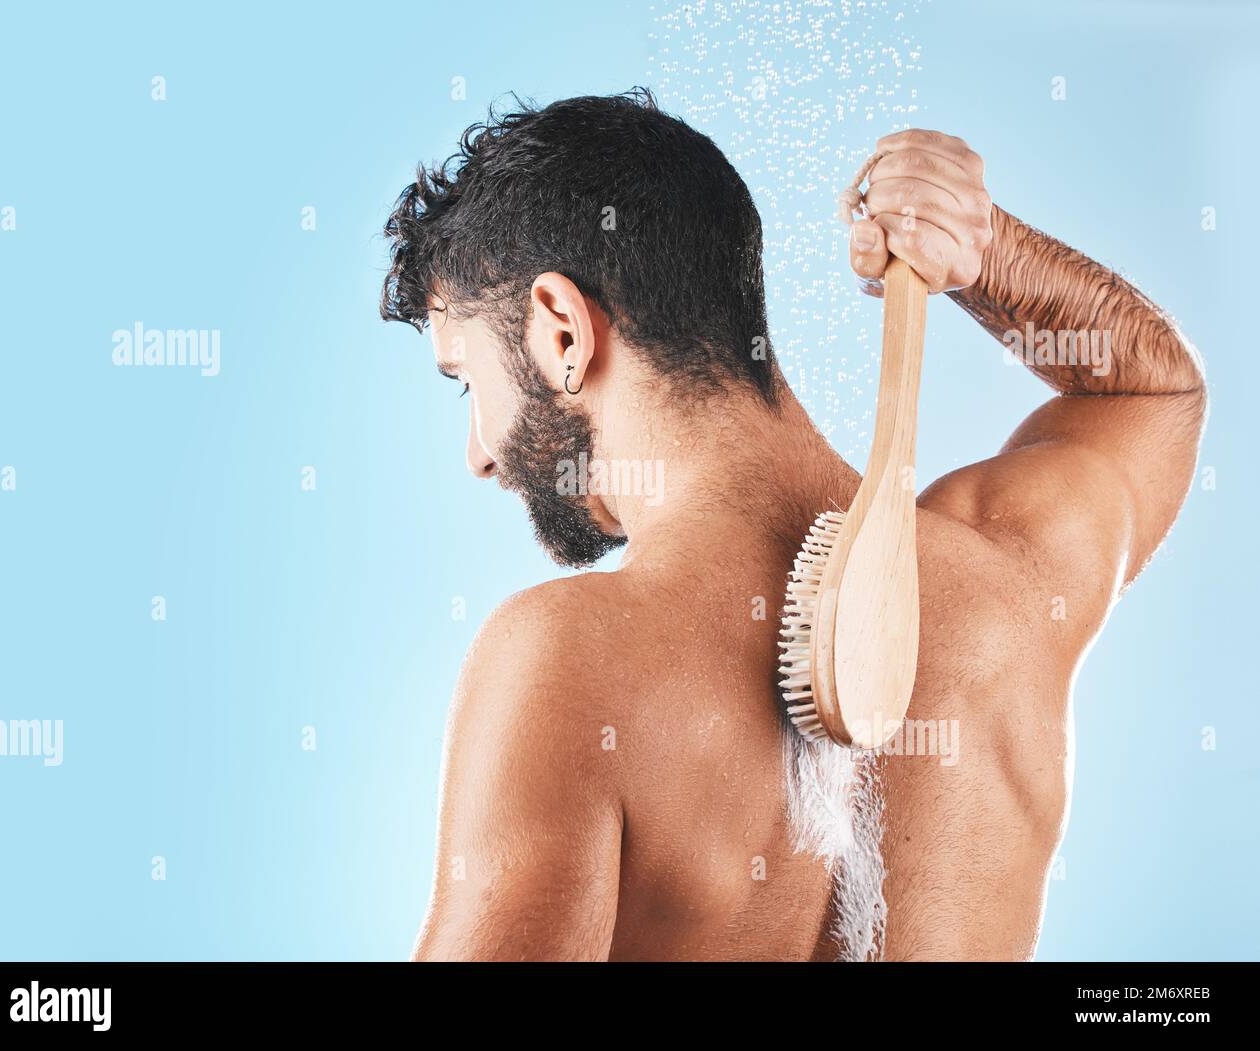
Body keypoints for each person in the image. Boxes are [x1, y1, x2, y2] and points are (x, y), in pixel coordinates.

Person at [380, 90, 1206, 960]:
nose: (479, 454)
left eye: (467, 379)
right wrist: (987, 252)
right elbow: (1154, 394)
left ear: (560, 333)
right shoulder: (1007, 577)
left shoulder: (565, 663)